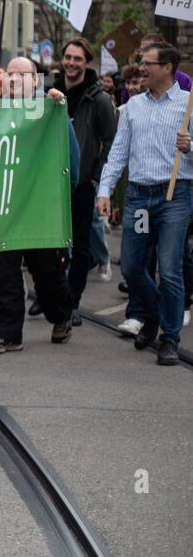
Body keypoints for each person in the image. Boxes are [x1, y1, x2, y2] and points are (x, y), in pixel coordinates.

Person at [96, 42, 191, 365]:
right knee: (133, 266)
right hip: (139, 196)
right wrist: (105, 191)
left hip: (175, 196)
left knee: (170, 267)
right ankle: (153, 312)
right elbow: (118, 153)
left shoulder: (188, 105)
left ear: (168, 68)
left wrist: (191, 147)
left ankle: (170, 338)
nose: (141, 69)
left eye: (148, 63)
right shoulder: (134, 106)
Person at [0, 57, 78, 350]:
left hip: (39, 208)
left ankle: (62, 315)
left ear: (35, 80)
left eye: (21, 75)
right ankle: (8, 333)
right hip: (3, 208)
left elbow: (71, 159)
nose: (14, 80)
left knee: (48, 272)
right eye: (9, 74)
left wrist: (63, 196)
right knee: (2, 275)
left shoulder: (52, 110)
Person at [50, 37, 116, 323]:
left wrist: (97, 176)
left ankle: (71, 301)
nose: (71, 63)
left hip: (81, 183)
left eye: (78, 58)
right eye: (68, 57)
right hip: (48, 182)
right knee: (49, 245)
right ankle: (53, 293)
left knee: (78, 245)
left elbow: (111, 141)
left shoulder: (99, 98)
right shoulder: (49, 91)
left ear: (87, 62)